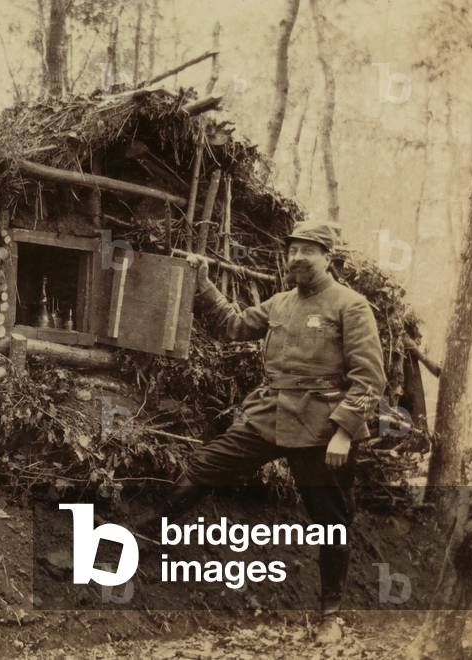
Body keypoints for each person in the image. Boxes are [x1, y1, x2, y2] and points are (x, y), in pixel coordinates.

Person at [152, 222, 385, 642]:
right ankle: (145, 536)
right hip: (269, 415)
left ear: (328, 258)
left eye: (308, 251)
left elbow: (368, 378)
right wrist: (204, 283)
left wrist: (344, 433)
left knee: (330, 520)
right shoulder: (280, 303)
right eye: (293, 250)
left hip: (321, 426)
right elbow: (234, 326)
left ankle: (330, 614)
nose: (296, 258)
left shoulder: (351, 306)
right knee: (206, 464)